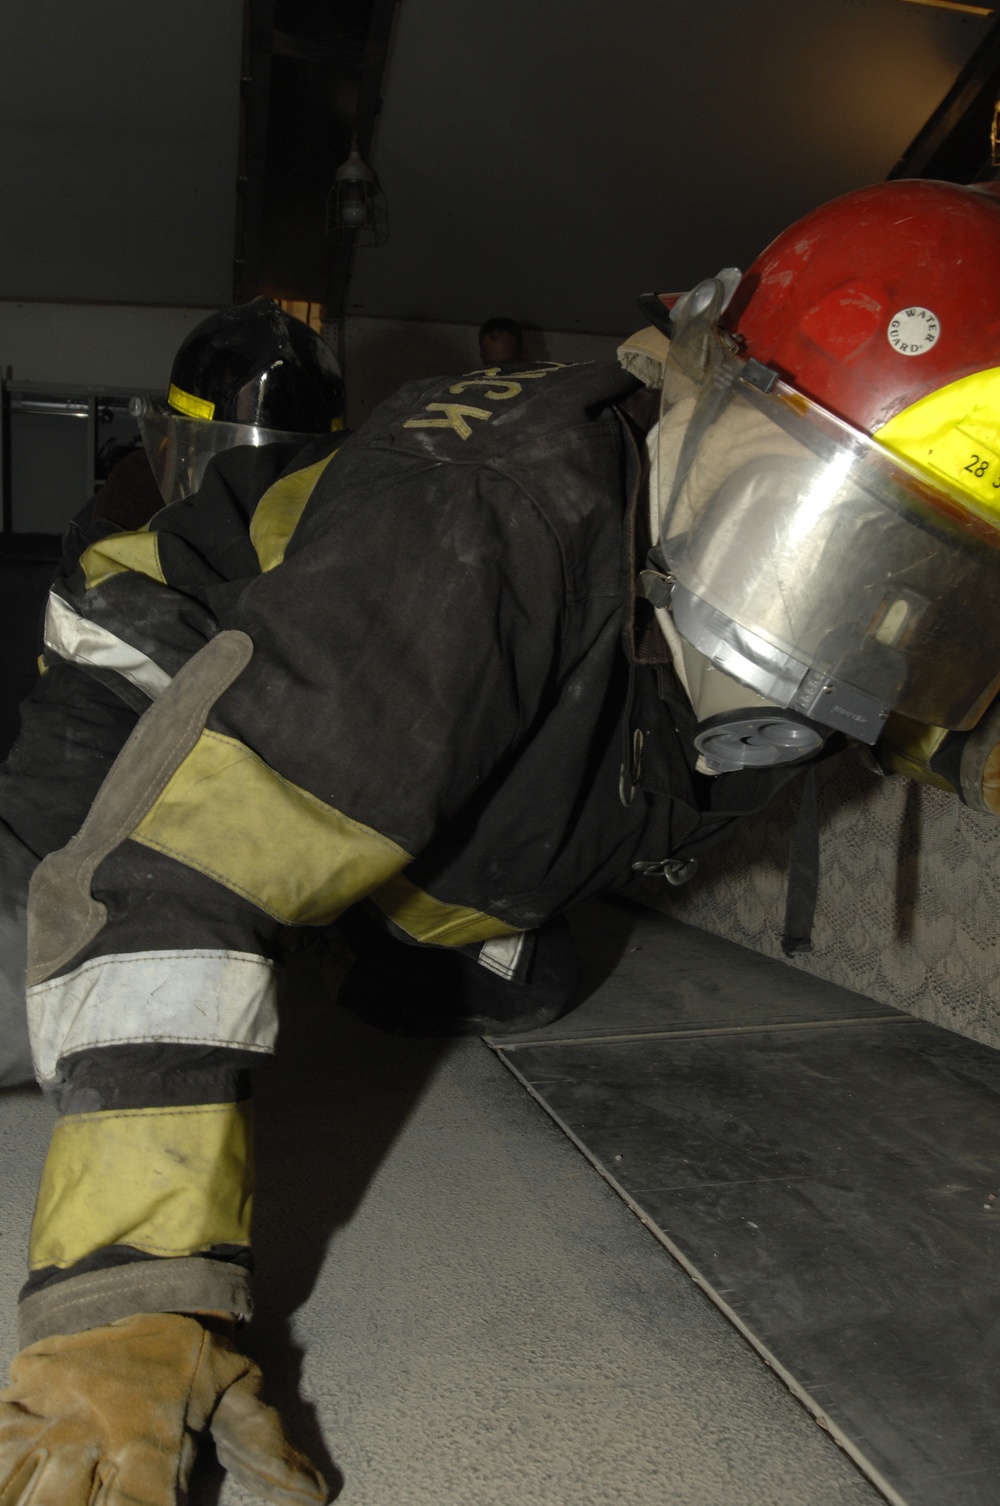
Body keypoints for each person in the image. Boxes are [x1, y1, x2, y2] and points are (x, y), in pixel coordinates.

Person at [4, 180, 1000, 1503]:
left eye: (908, 577)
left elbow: (926, 689)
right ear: (701, 386)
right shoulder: (494, 515)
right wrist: (127, 1299)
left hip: (408, 754)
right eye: (835, 547)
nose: (842, 639)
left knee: (496, 984)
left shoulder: (699, 532)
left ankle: (328, 911)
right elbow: (193, 852)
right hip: (169, 675)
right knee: (78, 974)